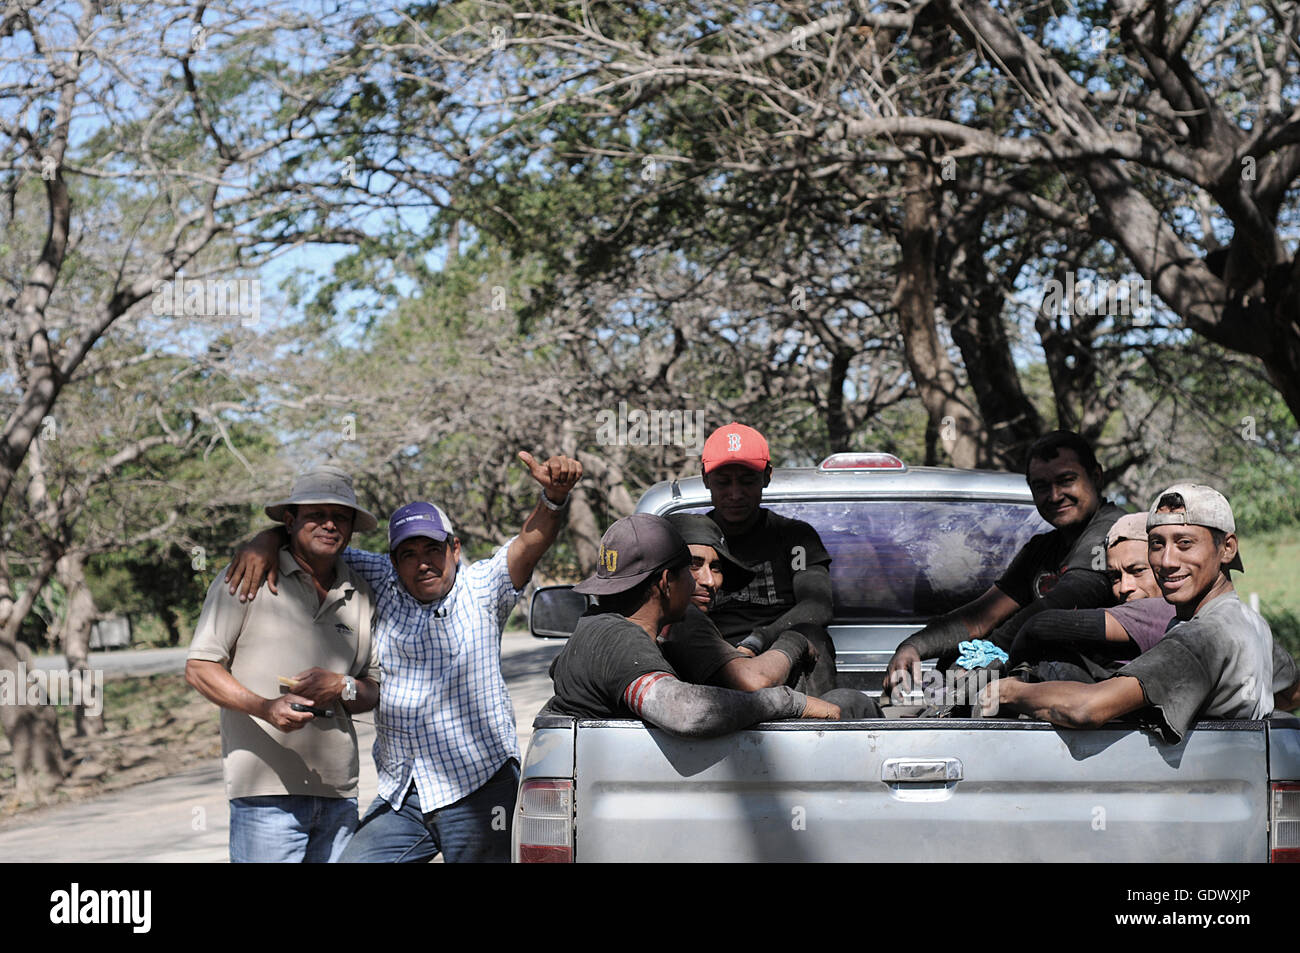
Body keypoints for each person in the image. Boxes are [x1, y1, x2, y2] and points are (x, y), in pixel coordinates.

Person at [227, 450, 582, 863]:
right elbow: (314, 545)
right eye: (408, 554)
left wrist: (552, 498)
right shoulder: (380, 578)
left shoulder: (483, 589)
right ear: (393, 560)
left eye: (432, 549)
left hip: (480, 787)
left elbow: (529, 543)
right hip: (404, 794)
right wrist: (264, 541)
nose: (423, 563)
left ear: (454, 548)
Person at [186, 466, 380, 863]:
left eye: (340, 516)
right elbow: (200, 668)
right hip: (265, 797)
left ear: (351, 528)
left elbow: (372, 688)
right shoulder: (245, 578)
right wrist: (265, 708)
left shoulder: (360, 592)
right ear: (290, 522)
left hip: (339, 793)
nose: (329, 524)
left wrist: (341, 685)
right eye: (316, 515)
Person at [981, 484, 1276, 742]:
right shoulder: (1251, 622)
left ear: (1227, 548)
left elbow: (1087, 709)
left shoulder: (1199, 637)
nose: (1168, 561)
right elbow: (1289, 693)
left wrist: (1008, 691)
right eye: (1157, 545)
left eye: (1185, 544)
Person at [543, 514, 843, 733]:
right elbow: (686, 711)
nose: (705, 582)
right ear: (665, 582)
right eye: (689, 569)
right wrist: (789, 703)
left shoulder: (599, 628)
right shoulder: (618, 638)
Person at [884, 430, 1125, 697]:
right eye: (1042, 486)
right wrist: (916, 645)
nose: (1055, 495)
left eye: (1066, 480)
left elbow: (1070, 597)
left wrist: (988, 652)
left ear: (1096, 476)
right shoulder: (1043, 548)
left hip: (1100, 693)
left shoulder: (1115, 530)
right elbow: (982, 616)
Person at [660, 513, 880, 716]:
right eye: (693, 565)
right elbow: (753, 680)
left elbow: (817, 607)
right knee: (849, 700)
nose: (708, 580)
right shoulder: (683, 621)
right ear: (665, 571)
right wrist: (793, 643)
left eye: (716, 568)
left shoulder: (677, 619)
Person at [699, 422, 839, 694]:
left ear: (767, 476)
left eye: (748, 481)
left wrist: (759, 639)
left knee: (814, 636)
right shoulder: (689, 539)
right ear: (705, 479)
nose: (736, 494)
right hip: (708, 659)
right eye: (724, 482)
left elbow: (818, 606)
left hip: (783, 653)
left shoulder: (795, 537)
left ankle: (824, 731)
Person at [1005, 512, 1175, 680]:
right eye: (1115, 577)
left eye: (1138, 571)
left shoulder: (1165, 610)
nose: (1124, 587)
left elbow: (1040, 625)